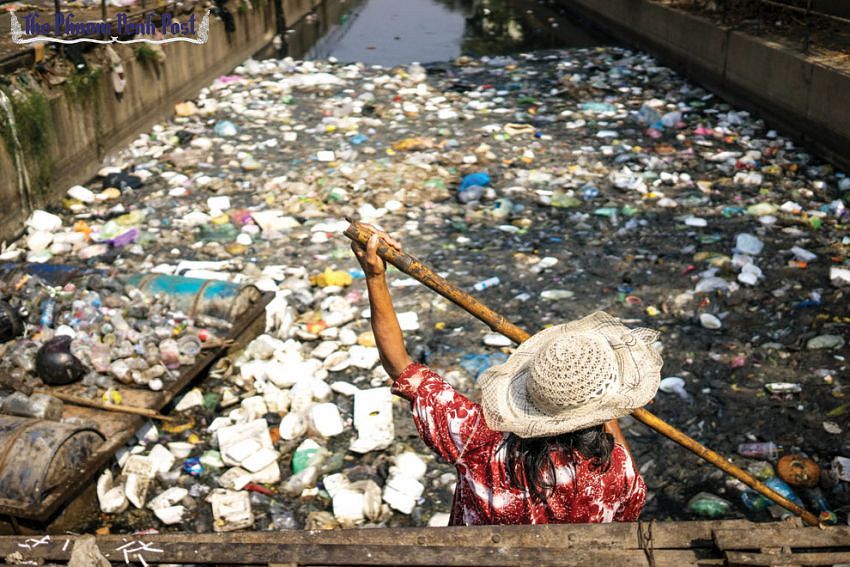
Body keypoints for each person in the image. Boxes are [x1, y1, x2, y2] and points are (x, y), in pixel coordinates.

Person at [351, 228, 663, 526]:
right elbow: (629, 512)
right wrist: (606, 404)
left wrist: (375, 277)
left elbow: (402, 368)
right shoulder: (617, 473)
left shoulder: (479, 440)